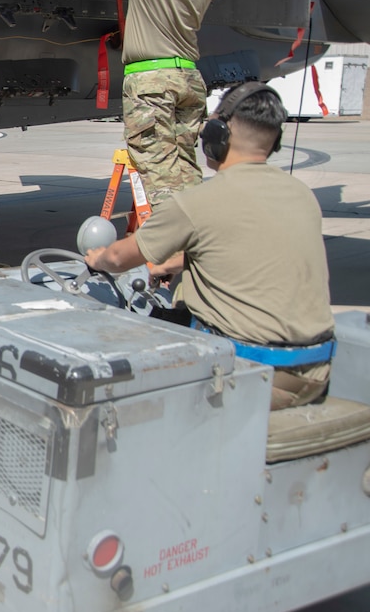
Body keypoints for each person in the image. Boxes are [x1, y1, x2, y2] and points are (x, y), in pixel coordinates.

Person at [84, 82, 334, 410]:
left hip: (251, 373)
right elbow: (246, 243)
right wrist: (175, 263)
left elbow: (119, 259)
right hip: (315, 372)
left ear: (219, 136)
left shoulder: (198, 202)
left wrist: (98, 257)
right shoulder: (302, 195)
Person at [102, 0, 231, 207]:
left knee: (159, 170)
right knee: (185, 163)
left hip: (151, 81)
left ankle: (172, 230)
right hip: (189, 79)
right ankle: (197, 222)